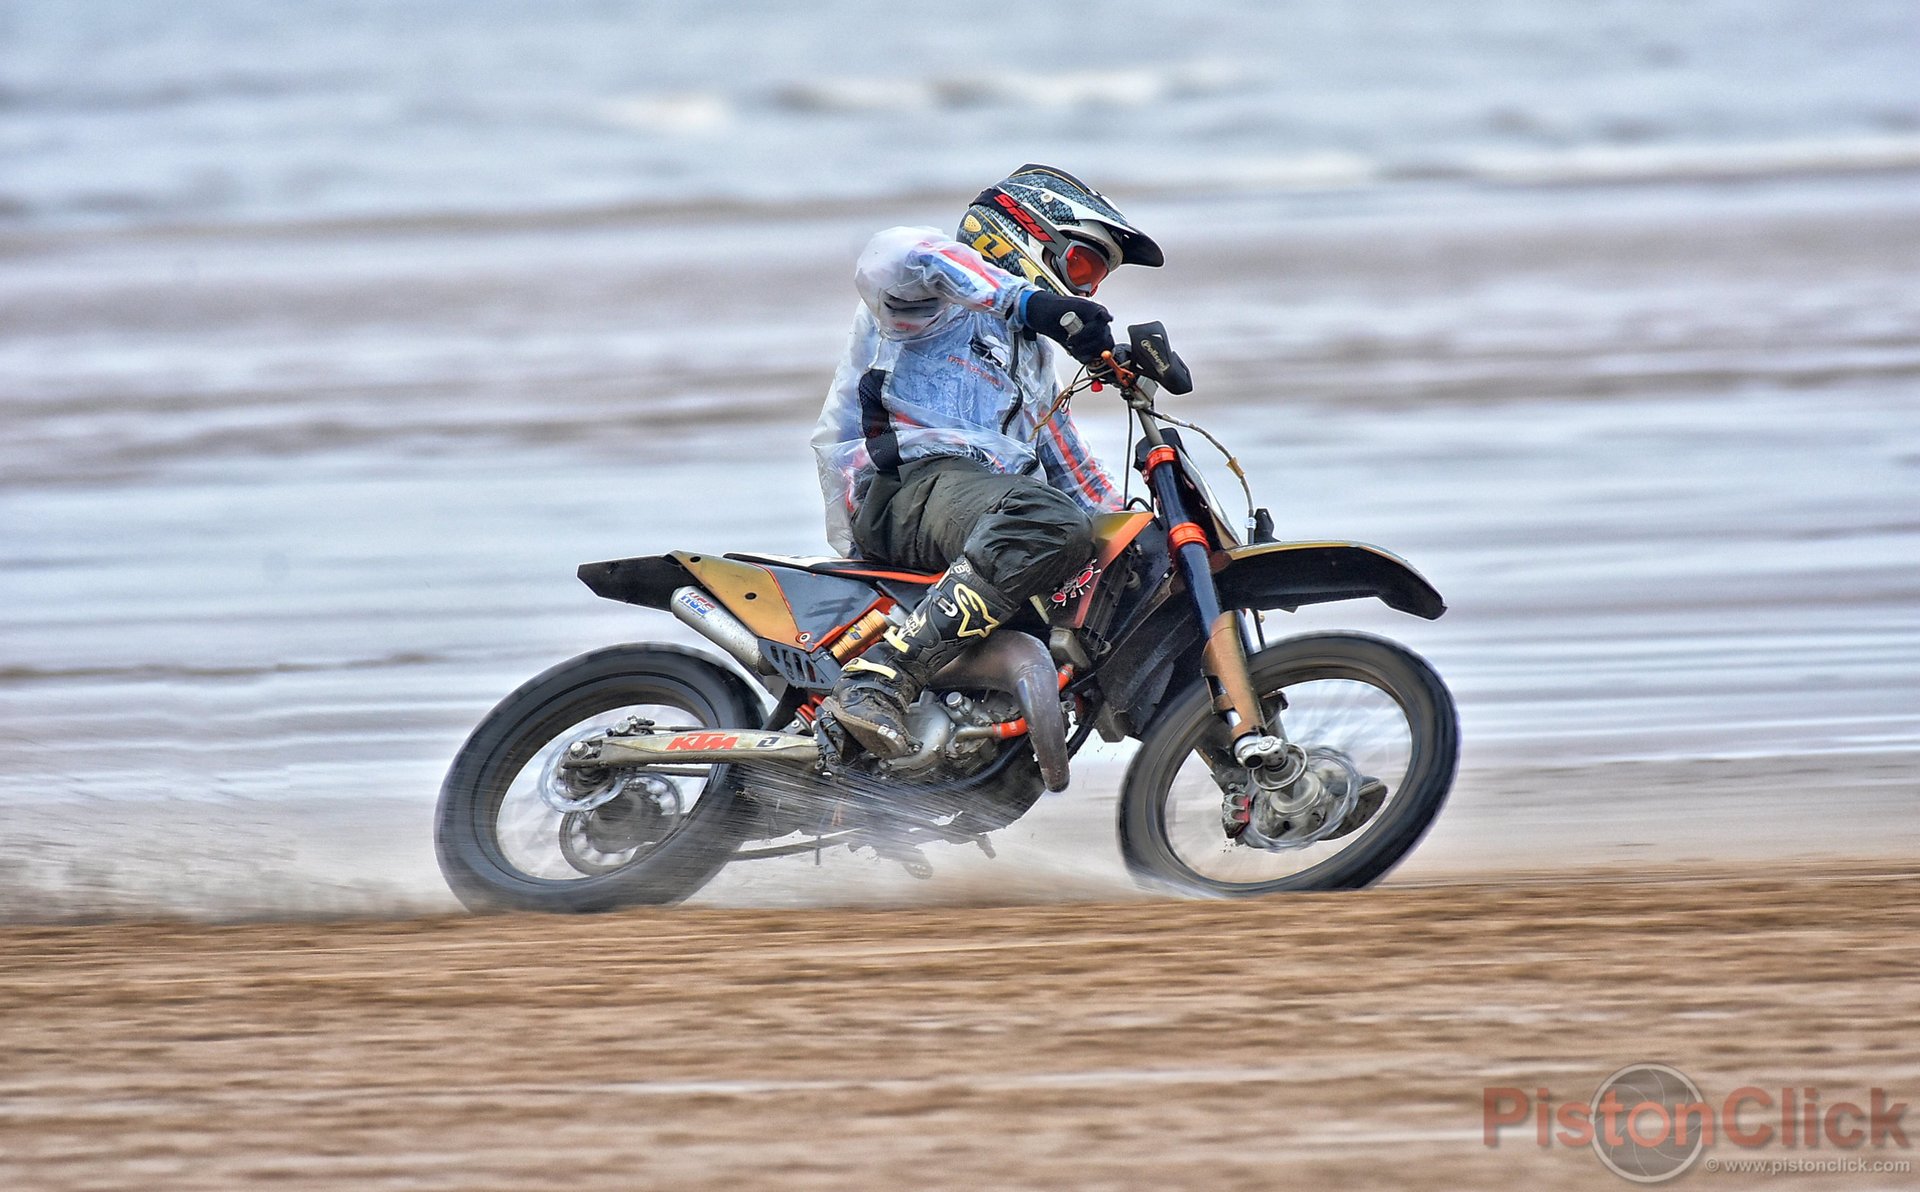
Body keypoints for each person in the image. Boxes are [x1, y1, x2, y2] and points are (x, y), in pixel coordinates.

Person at [811, 164, 1164, 759]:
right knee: (1047, 521)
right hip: (900, 491)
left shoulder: (1032, 366)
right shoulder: (932, 302)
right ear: (1025, 233)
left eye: (1095, 280)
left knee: (1126, 566)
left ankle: (1253, 776)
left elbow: (1075, 474)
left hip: (986, 516)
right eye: (1083, 266)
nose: (1086, 291)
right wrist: (1028, 300)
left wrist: (1149, 537)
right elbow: (890, 256)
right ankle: (881, 676)